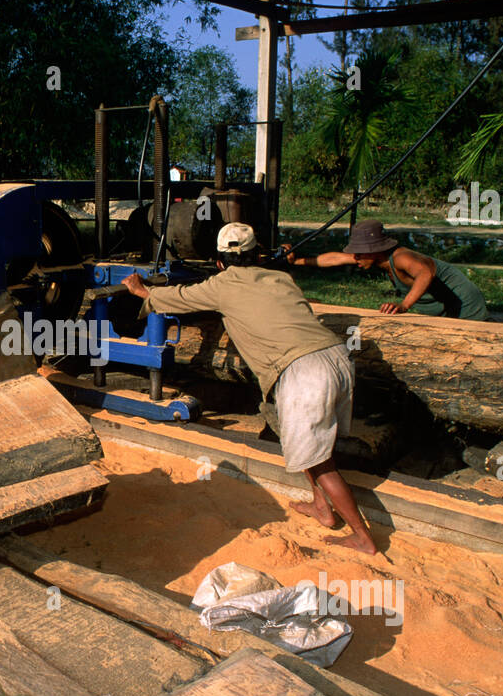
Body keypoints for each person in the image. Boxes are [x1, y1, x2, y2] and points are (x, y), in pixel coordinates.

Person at [122, 222, 379, 555]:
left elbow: (181, 298)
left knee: (320, 461)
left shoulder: (221, 285)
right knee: (311, 446)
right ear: (256, 253)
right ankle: (321, 507)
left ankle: (362, 536)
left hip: (303, 372)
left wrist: (143, 291)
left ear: (218, 262)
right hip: (336, 357)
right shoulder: (280, 278)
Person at [285, 218, 488, 320]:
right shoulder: (375, 259)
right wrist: (296, 262)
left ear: (374, 250)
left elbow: (426, 272)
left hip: (467, 310)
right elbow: (336, 258)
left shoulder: (401, 257)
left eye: (360, 253)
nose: (355, 258)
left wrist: (403, 306)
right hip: (444, 311)